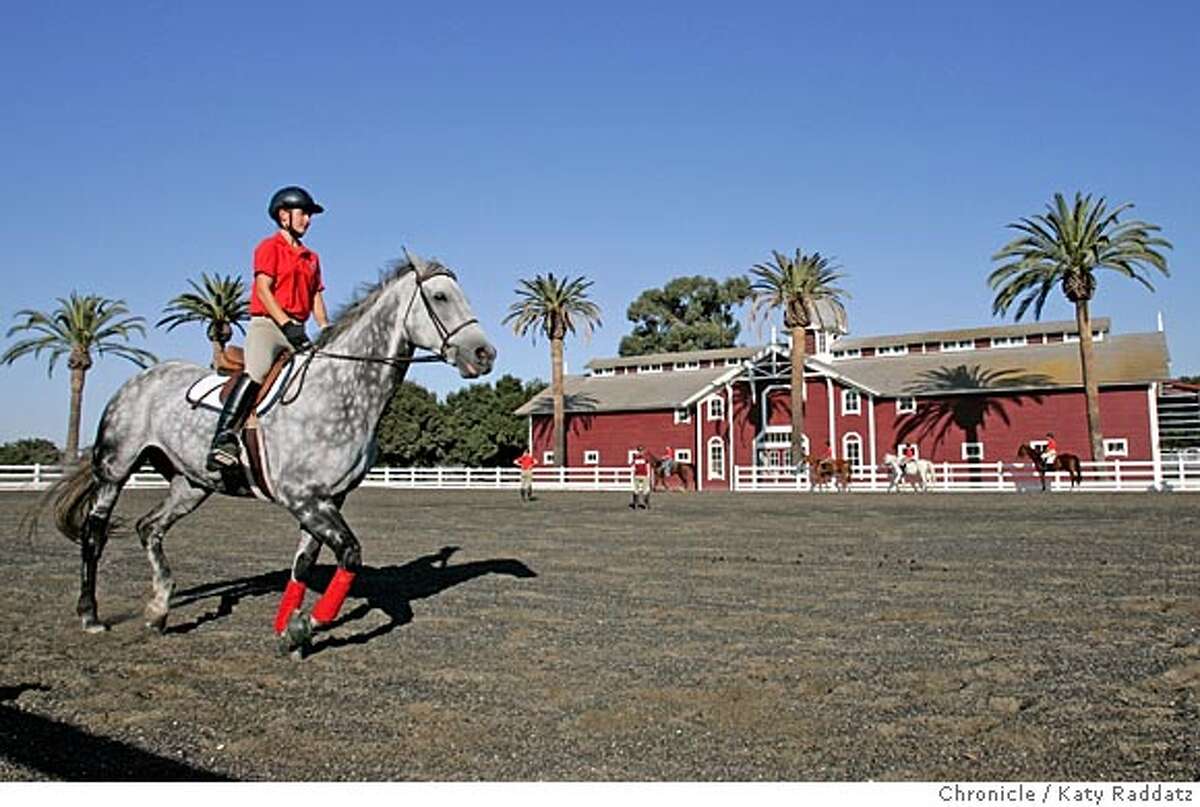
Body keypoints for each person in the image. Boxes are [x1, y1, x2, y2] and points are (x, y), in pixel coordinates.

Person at [206, 186, 330, 471]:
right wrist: (286, 324)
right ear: (284, 216)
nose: (308, 220)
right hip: (269, 326)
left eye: (309, 215)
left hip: (298, 330)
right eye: (303, 213)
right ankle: (224, 437)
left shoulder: (312, 258)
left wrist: (324, 326)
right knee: (258, 371)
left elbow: (315, 295)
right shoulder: (269, 247)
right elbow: (263, 289)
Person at [630, 445, 652, 509]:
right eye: (639, 451)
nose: (640, 452)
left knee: (645, 490)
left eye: (641, 451)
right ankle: (637, 503)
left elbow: (631, 465)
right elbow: (632, 465)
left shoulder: (639, 458)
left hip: (642, 475)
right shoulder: (642, 458)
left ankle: (645, 503)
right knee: (637, 490)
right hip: (639, 475)